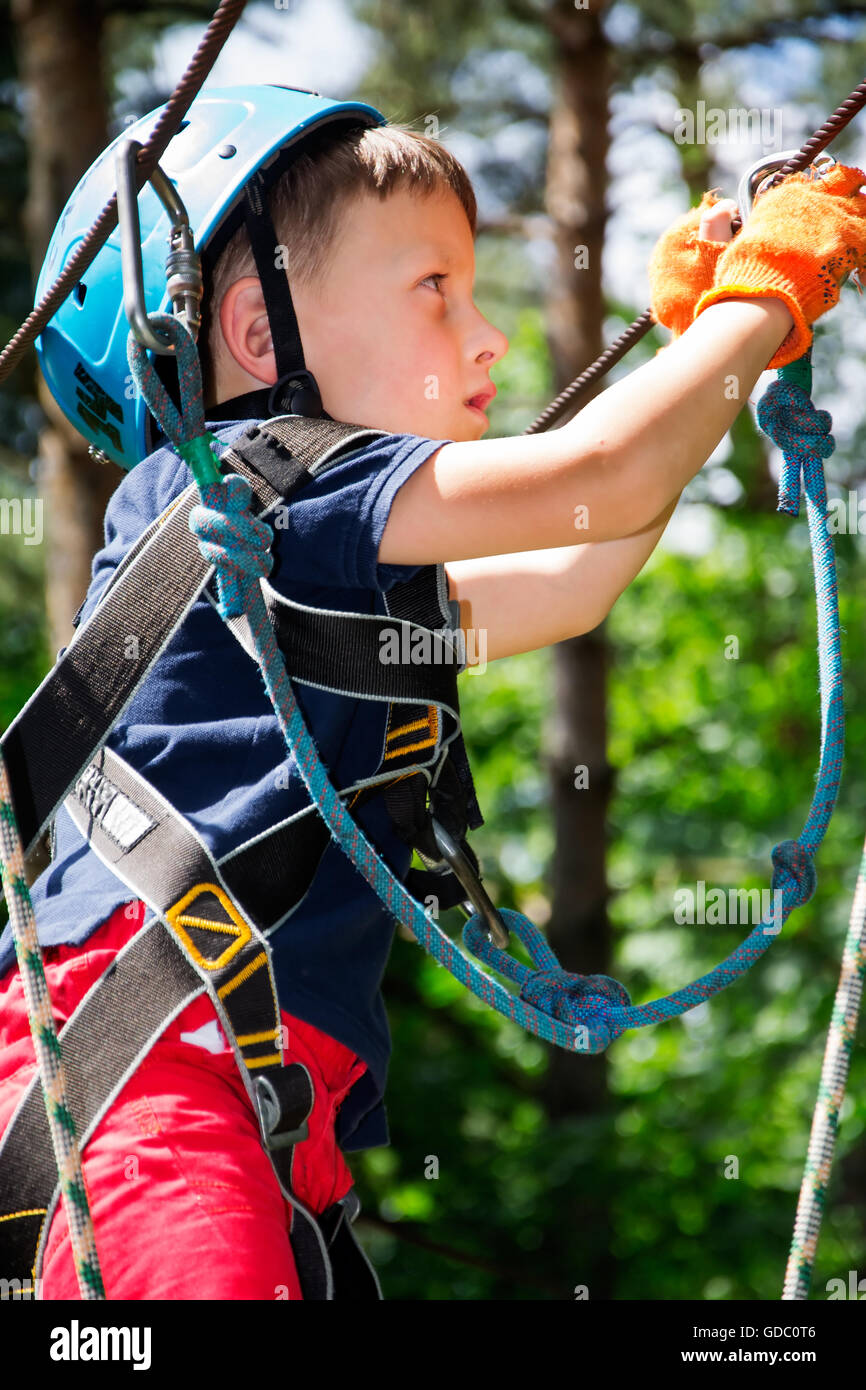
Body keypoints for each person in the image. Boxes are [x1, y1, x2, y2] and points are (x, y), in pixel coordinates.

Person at [1, 82, 864, 1300]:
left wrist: (698, 349)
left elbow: (575, 574)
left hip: (226, 1105)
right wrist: (758, 298)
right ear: (259, 337)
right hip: (154, 1087)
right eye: (434, 289)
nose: (488, 335)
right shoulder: (255, 483)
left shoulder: (314, 572)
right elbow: (604, 475)